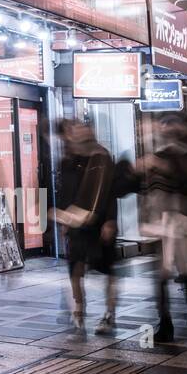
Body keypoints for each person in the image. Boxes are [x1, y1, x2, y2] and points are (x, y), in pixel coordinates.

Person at [139, 112, 187, 342]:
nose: (167, 127)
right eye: (165, 123)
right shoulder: (158, 152)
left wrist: (164, 165)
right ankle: (165, 323)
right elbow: (149, 186)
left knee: (185, 269)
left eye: (171, 123)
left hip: (184, 219)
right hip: (162, 220)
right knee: (162, 274)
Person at [55, 120, 118, 335]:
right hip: (75, 222)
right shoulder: (68, 160)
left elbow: (110, 191)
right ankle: (79, 311)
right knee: (75, 270)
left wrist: (110, 220)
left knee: (106, 270)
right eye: (75, 129)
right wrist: (64, 220)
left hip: (99, 222)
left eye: (82, 128)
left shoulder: (101, 156)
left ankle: (109, 313)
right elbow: (64, 191)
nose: (78, 132)